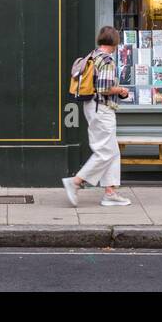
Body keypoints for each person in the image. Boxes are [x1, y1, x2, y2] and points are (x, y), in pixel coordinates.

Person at [62, 26, 133, 207]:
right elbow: (104, 88)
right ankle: (76, 181)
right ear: (115, 43)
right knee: (105, 151)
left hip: (91, 107)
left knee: (112, 150)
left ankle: (110, 192)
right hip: (102, 109)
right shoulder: (107, 60)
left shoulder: (93, 55)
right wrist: (122, 90)